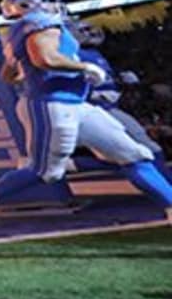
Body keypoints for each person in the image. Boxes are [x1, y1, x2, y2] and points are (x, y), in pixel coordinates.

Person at [0, 0, 172, 236]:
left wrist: (33, 73)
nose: (55, 5)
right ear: (29, 4)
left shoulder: (19, 31)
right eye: (49, 1)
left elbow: (9, 74)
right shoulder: (40, 23)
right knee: (45, 172)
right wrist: (82, 67)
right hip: (52, 104)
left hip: (75, 104)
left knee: (135, 155)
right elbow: (45, 59)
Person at [74, 20, 172, 184]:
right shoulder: (75, 55)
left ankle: (164, 184)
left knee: (130, 152)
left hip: (107, 108)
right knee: (140, 149)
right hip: (98, 110)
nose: (92, 33)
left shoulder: (94, 54)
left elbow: (105, 81)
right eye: (85, 30)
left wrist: (120, 79)